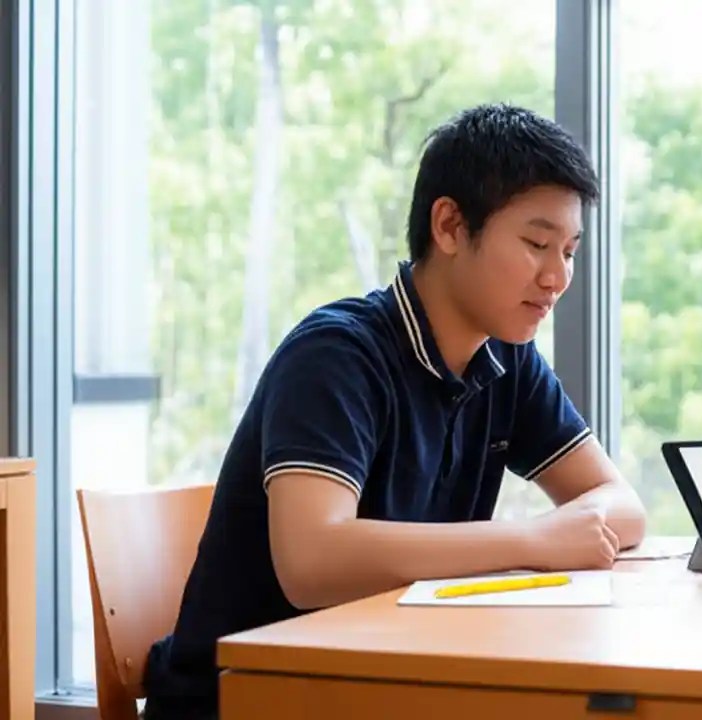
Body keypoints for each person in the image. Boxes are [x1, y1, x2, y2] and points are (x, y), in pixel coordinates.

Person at [142, 104, 647, 718]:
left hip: (381, 684)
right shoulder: (336, 354)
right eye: (537, 243)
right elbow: (312, 563)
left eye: (569, 250)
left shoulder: (507, 360)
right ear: (450, 226)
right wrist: (536, 539)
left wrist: (569, 532)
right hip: (245, 697)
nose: (558, 276)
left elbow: (621, 507)